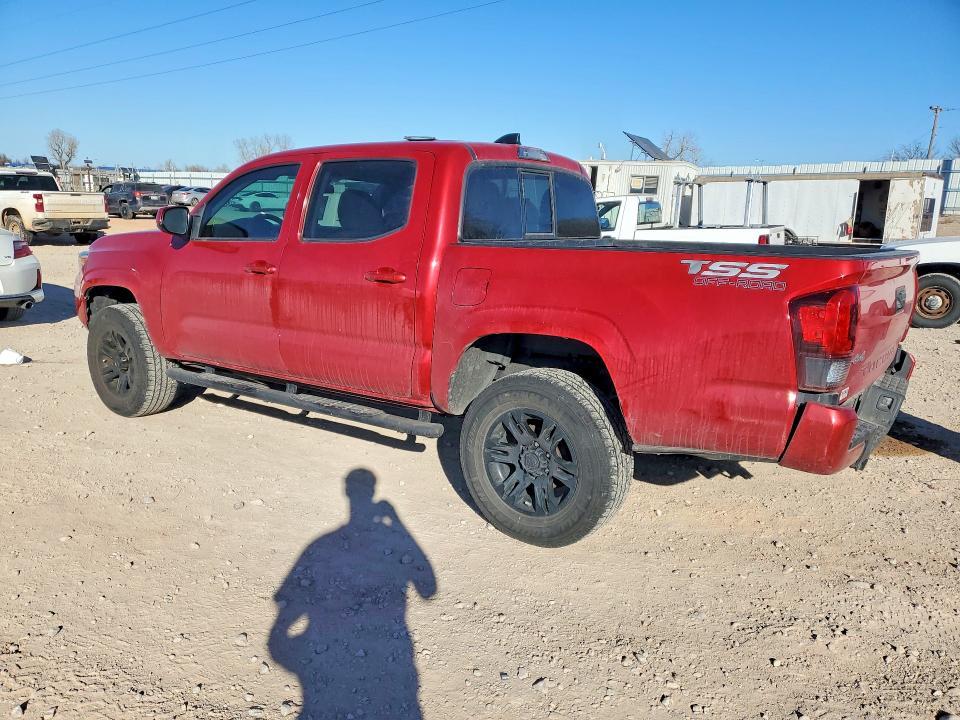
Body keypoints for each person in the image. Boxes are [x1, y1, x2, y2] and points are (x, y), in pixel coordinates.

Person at [269, 468, 436, 719]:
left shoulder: (321, 545)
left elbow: (278, 632)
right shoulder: (386, 539)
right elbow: (428, 588)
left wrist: (304, 662)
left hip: (325, 687)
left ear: (346, 492)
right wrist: (398, 522)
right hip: (394, 669)